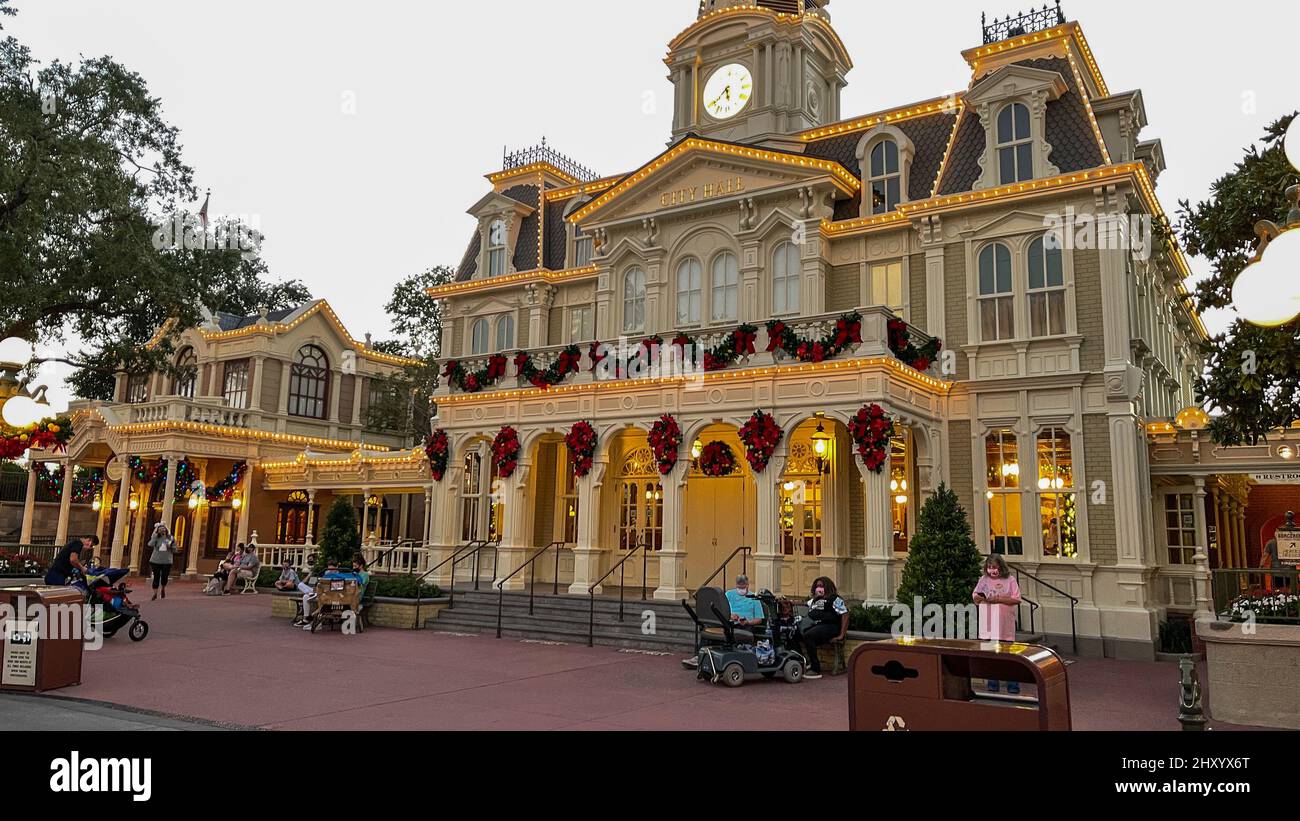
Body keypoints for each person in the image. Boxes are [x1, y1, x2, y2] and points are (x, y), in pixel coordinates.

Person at [973, 554, 1023, 694]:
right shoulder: (983, 580)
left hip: (1004, 625)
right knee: (990, 657)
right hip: (988, 625)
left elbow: (1017, 599)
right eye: (989, 567)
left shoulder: (1010, 580)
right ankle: (992, 685)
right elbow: (975, 595)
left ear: (1000, 567)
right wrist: (979, 597)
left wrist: (999, 599)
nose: (992, 570)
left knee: (1008, 657)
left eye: (994, 567)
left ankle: (1013, 686)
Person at [798, 577, 849, 680]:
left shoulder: (834, 599)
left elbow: (845, 614)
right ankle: (803, 661)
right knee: (794, 633)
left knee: (809, 636)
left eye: (821, 586)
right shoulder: (815, 600)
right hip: (817, 626)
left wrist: (841, 635)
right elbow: (803, 603)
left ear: (827, 586)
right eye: (817, 586)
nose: (818, 588)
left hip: (830, 626)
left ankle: (815, 669)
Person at [147, 523, 179, 600]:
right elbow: (150, 544)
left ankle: (163, 588)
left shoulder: (170, 538)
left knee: (164, 576)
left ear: (166, 529)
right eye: (160, 529)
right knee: (156, 577)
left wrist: (170, 546)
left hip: (167, 561)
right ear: (158, 530)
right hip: (155, 560)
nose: (162, 530)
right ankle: (155, 593)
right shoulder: (156, 537)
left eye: (163, 528)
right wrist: (154, 537)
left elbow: (175, 549)